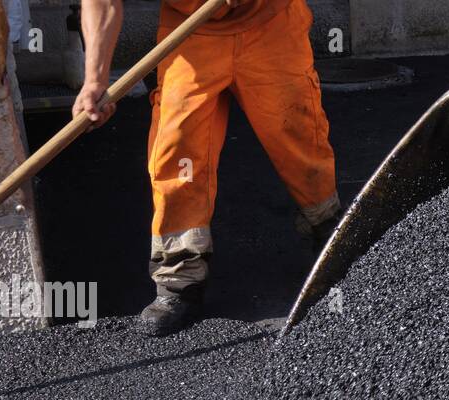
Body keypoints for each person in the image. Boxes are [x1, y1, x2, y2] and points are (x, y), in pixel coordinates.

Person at [74, 0, 341, 335]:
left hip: (270, 25)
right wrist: (95, 78)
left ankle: (331, 233)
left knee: (298, 133)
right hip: (191, 33)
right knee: (177, 149)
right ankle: (179, 277)